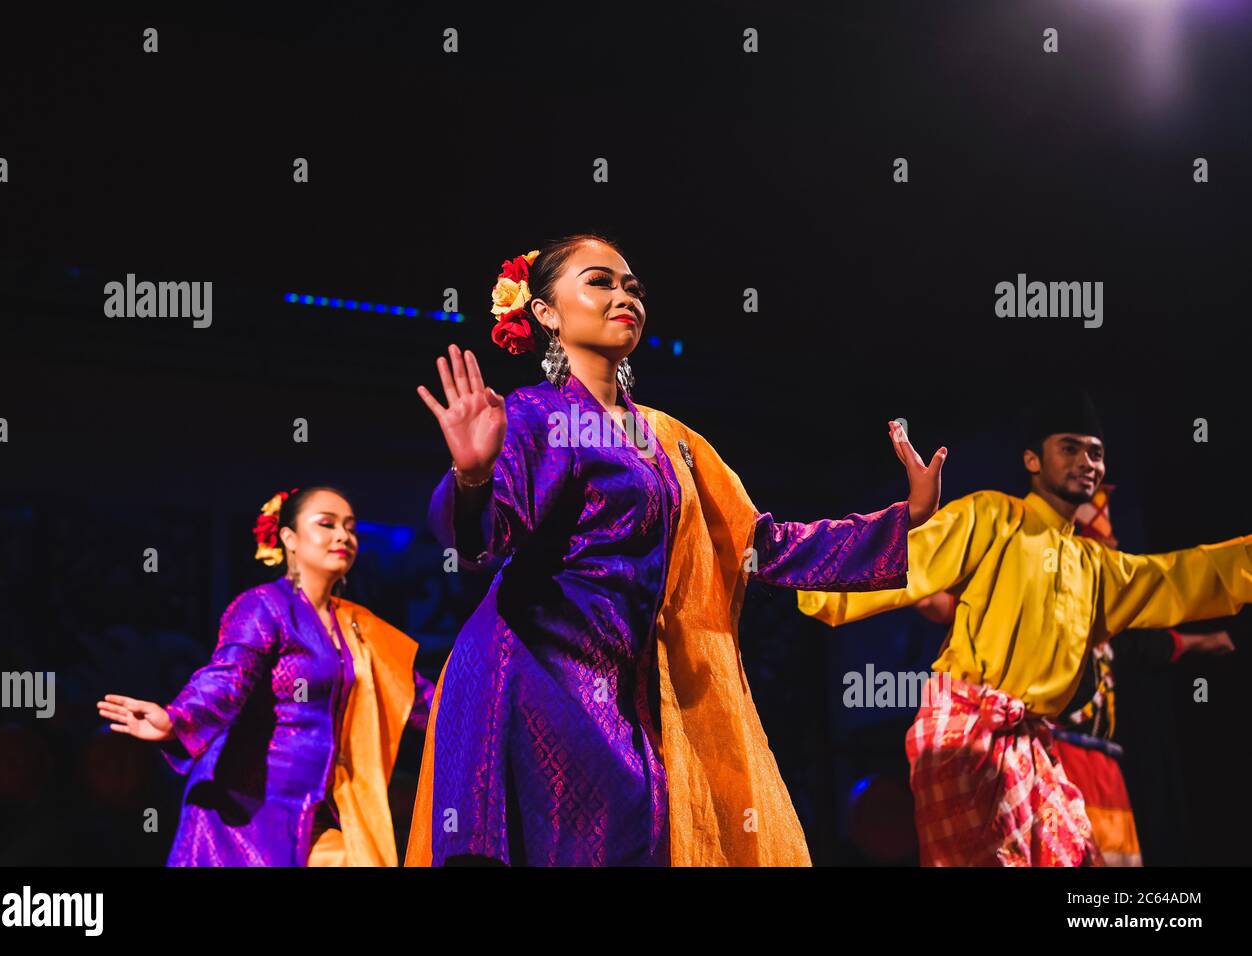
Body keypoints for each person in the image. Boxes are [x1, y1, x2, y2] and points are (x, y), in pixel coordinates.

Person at [407, 233, 946, 866]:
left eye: (631, 286)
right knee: (620, 828)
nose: (624, 296)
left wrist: (902, 518)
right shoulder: (536, 413)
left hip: (622, 685)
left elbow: (760, 546)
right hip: (534, 672)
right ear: (546, 312)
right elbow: (483, 537)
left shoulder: (669, 438)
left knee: (651, 826)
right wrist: (472, 477)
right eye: (600, 282)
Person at [798, 393, 1252, 866]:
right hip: (965, 733)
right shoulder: (993, 516)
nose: (1087, 462)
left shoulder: (1096, 566)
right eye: (1070, 448)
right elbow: (910, 561)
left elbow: (1182, 576)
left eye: (1096, 453)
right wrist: (808, 571)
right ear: (1033, 459)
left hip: (1032, 744)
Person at [98, 486, 432, 865]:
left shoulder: (357, 626)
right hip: (246, 813)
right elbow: (227, 679)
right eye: (327, 524)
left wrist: (485, 708)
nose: (343, 536)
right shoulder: (265, 606)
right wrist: (177, 719)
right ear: (288, 538)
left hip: (320, 811)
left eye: (350, 528)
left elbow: (415, 694)